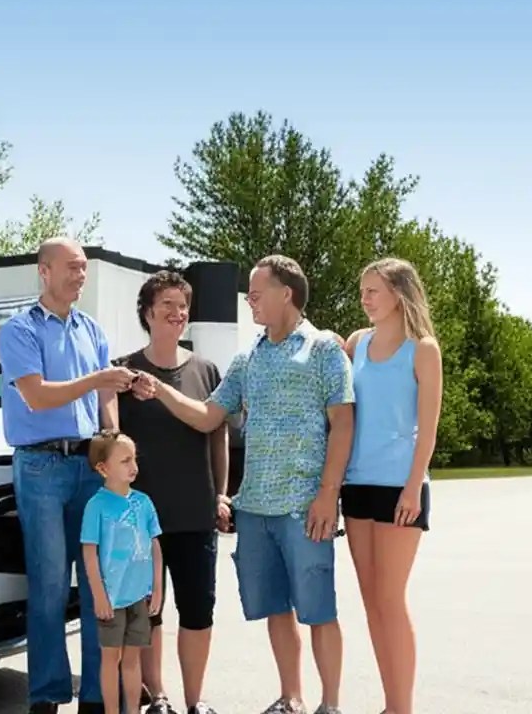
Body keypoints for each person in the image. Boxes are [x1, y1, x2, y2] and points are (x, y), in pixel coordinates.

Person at [129, 254, 354, 714]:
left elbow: (343, 424)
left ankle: (330, 706)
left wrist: (328, 494)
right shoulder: (247, 358)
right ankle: (291, 698)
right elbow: (208, 416)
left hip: (305, 506)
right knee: (276, 609)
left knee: (319, 610)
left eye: (256, 292)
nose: (249, 300)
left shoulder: (323, 351)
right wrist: (162, 389)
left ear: (285, 293)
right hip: (255, 508)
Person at [0, 237, 138, 714]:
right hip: (40, 468)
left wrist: (114, 440)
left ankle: (96, 696)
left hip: (90, 467)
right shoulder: (18, 330)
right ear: (44, 271)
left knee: (99, 582)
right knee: (50, 586)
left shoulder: (91, 329)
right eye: (72, 267)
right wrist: (98, 380)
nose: (81, 275)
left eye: (84, 268)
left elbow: (106, 395)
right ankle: (47, 695)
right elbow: (36, 396)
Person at [113, 271, 229, 714]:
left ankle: (196, 700)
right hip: (141, 520)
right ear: (147, 313)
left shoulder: (206, 370)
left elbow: (217, 435)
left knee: (198, 610)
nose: (178, 313)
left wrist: (220, 494)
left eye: (183, 306)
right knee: (149, 611)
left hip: (195, 512)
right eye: (167, 305)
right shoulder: (124, 372)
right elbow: (112, 439)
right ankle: (157, 695)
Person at [340, 257, 442, 714]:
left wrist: (412, 488)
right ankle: (390, 704)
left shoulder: (423, 349)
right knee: (371, 602)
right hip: (356, 485)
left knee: (390, 599)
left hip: (400, 487)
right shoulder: (356, 344)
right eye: (362, 291)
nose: (364, 299)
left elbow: (429, 430)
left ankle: (402, 708)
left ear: (399, 294)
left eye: (373, 291)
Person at [80, 429, 165, 714]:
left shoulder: (144, 502)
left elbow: (155, 546)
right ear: (103, 468)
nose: (134, 466)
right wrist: (99, 595)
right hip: (112, 599)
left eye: (134, 459)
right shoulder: (96, 506)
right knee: (110, 659)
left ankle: (133, 710)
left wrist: (157, 589)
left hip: (139, 596)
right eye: (125, 461)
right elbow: (89, 553)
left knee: (132, 659)